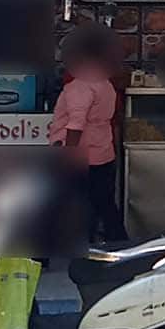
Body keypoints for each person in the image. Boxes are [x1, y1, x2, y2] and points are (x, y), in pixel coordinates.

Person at [49, 29, 127, 244]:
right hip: (103, 152)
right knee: (103, 204)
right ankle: (119, 244)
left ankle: (45, 254)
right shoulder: (105, 83)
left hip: (81, 155)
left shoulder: (80, 86)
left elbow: (76, 123)